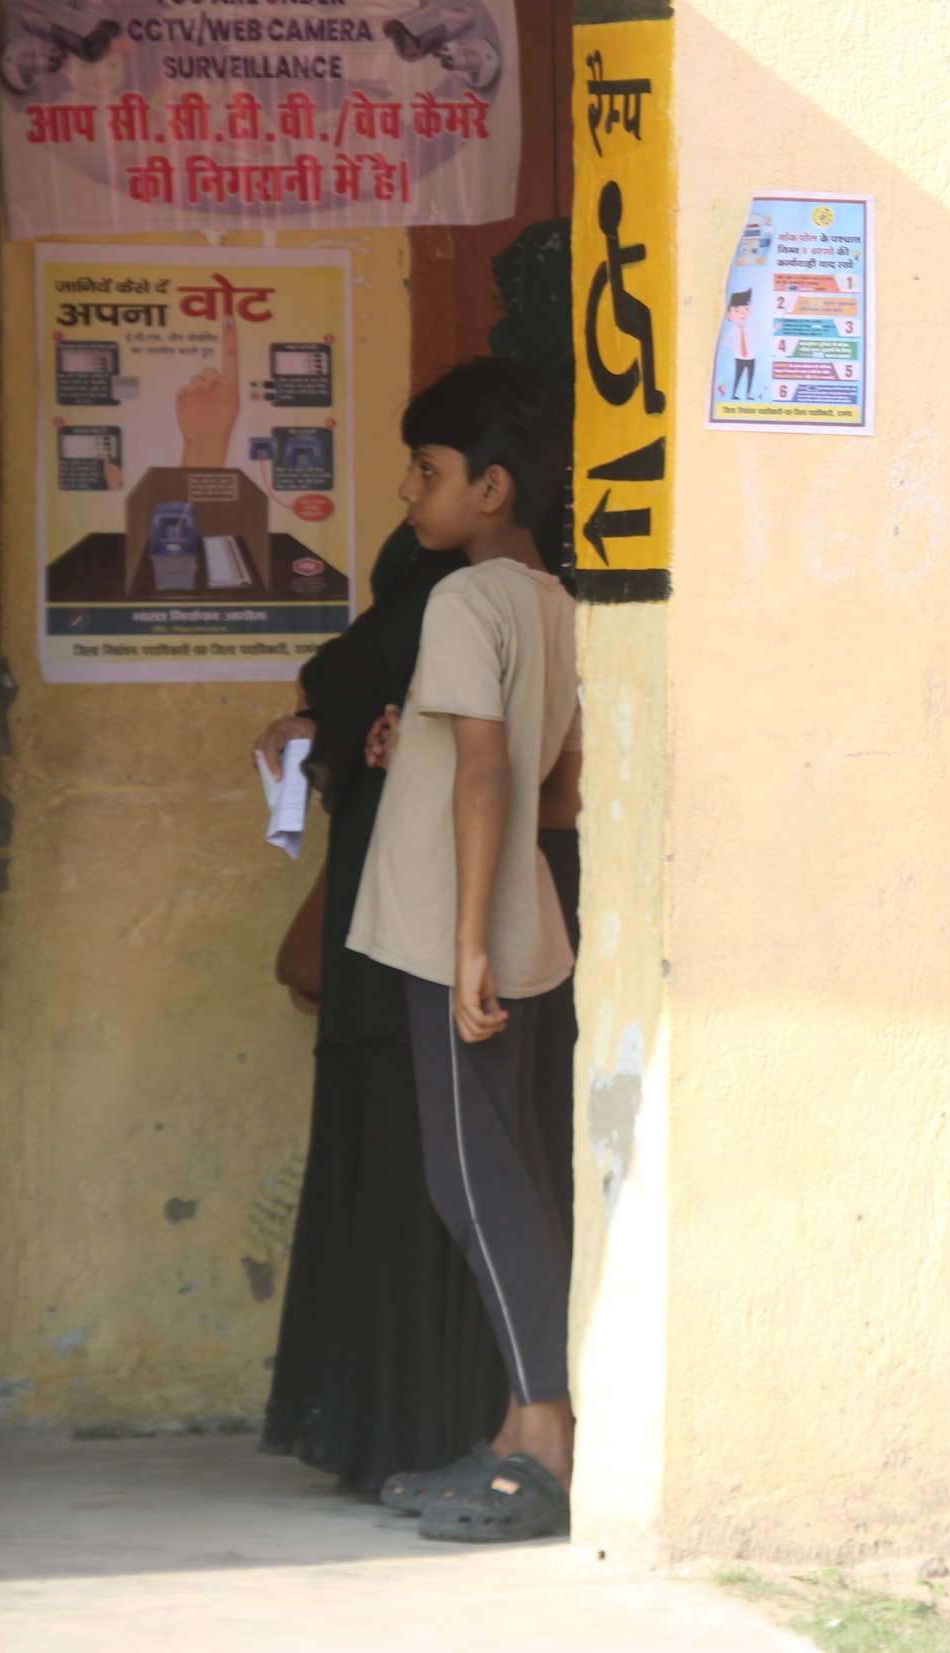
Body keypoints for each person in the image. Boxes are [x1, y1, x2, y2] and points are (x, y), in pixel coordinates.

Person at [346, 358, 582, 1543]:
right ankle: (510, 1429)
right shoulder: (550, 603)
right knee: (514, 1173)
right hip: (515, 917)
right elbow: (552, 774)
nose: (408, 491)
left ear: (491, 486)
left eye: (428, 473)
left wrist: (464, 942)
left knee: (472, 1184)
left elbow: (488, 770)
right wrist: (415, 743)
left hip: (460, 934)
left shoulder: (458, 601)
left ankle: (544, 1436)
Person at [255, 525, 507, 1500]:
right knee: (401, 1161)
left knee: (416, 1166)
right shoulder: (441, 594)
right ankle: (395, 1424)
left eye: (430, 469)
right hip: (394, 915)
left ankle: (410, 1425)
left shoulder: (479, 601)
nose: (410, 491)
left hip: (425, 920)